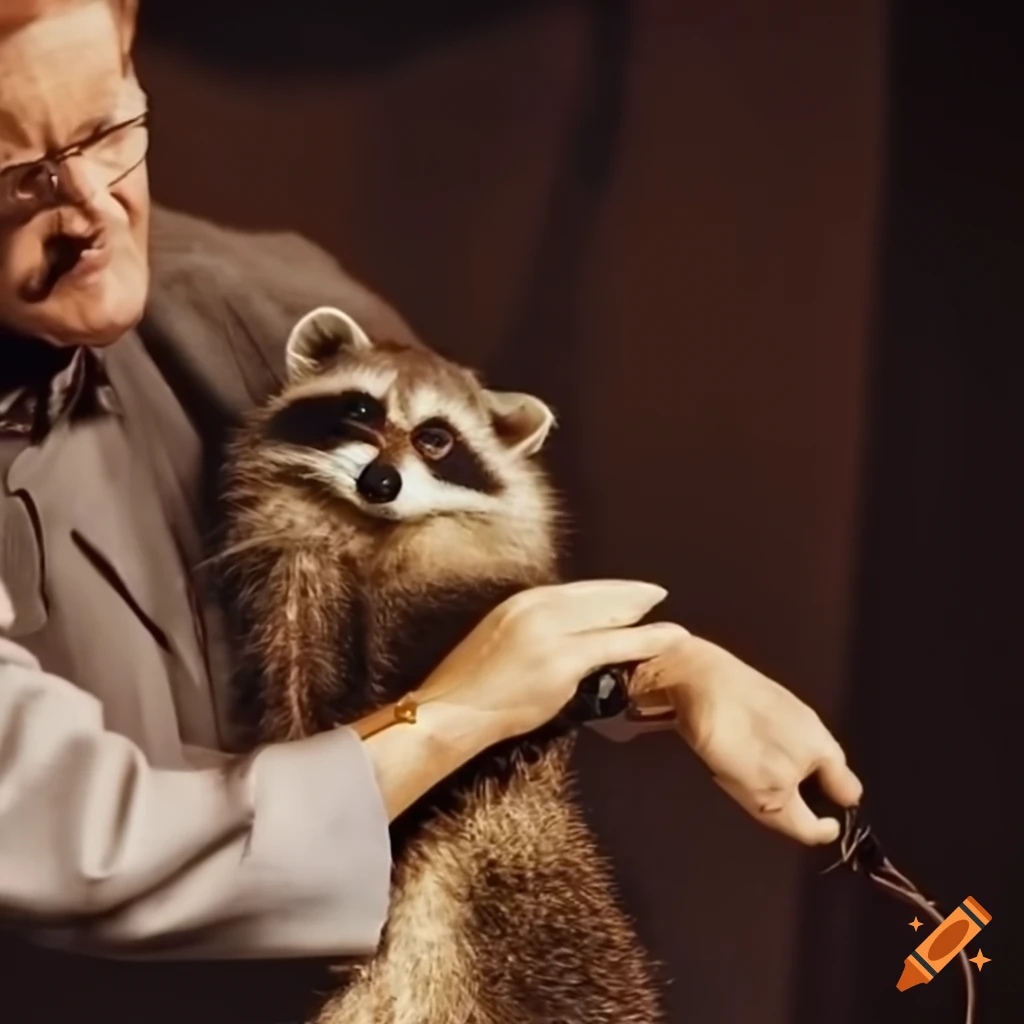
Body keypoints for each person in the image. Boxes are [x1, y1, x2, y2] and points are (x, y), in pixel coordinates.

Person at [0, 1, 862, 1021]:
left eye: (107, 131)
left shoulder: (245, 295)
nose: (92, 207)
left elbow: (448, 584)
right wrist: (460, 711)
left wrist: (666, 672)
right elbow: (94, 844)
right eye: (19, 179)